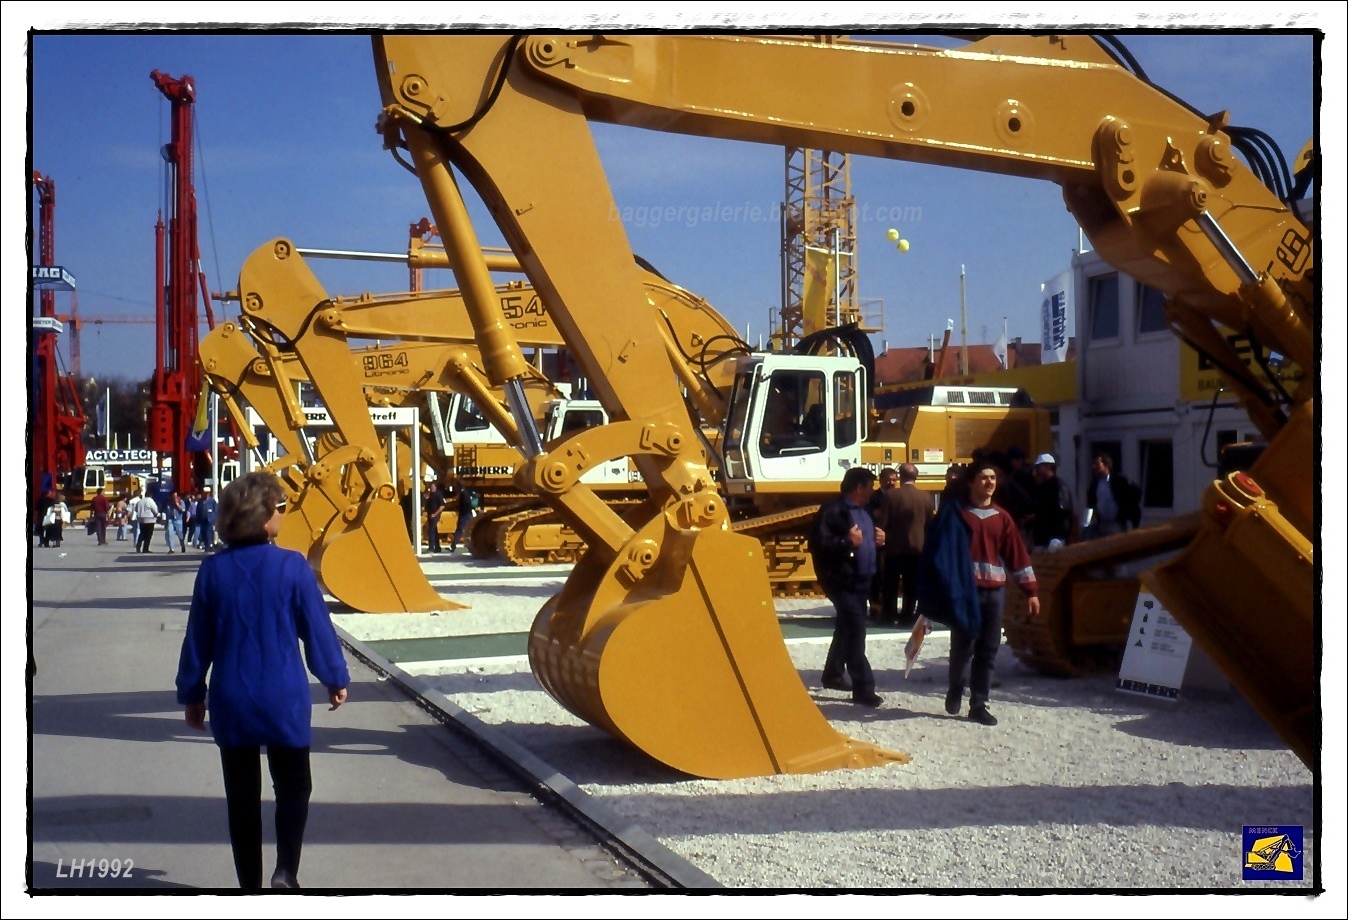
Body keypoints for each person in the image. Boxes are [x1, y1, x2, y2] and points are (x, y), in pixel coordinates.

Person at [175, 471, 350, 889]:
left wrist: (192, 693)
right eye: (282, 507)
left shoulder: (213, 572)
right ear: (264, 514)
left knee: (241, 796)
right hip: (283, 694)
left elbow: (198, 638)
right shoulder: (291, 565)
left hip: (232, 695)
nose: (284, 514)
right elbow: (316, 628)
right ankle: (286, 869)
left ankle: (248, 885)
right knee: (294, 784)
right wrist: (333, 676)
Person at [930, 461, 1040, 726]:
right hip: (964, 595)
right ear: (970, 482)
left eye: (993, 478)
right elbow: (938, 555)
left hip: (994, 594)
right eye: (983, 478)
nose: (990, 483)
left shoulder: (1002, 518)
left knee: (988, 649)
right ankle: (956, 686)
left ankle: (979, 703)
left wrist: (1031, 591)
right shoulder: (954, 516)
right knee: (962, 647)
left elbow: (1017, 556)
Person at [811, 467, 886, 707]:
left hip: (861, 579)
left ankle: (832, 673)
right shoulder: (833, 509)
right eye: (870, 485)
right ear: (859, 487)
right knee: (856, 630)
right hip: (841, 581)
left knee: (845, 627)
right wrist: (847, 542)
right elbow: (819, 543)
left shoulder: (863, 510)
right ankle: (864, 687)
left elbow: (864, 542)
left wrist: (879, 541)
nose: (873, 490)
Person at [875, 463, 935, 627]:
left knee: (890, 584)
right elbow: (930, 523)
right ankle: (907, 615)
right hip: (918, 548)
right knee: (911, 585)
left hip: (894, 547)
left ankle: (888, 615)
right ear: (916, 477)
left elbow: (883, 522)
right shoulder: (926, 497)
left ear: (900, 476)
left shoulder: (891, 496)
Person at [1084, 453, 1142, 538]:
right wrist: (1085, 524)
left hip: (1117, 524)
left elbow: (1135, 495)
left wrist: (1129, 514)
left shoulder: (1119, 481)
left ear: (1106, 465)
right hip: (1101, 525)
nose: (1094, 467)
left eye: (1097, 464)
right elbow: (1090, 505)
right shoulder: (1094, 485)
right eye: (1093, 464)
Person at [1027, 453, 1074, 551]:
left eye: (1038, 467)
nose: (1036, 471)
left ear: (1047, 467)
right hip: (1042, 539)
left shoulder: (1059, 486)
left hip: (1056, 538)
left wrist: (1039, 514)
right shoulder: (1041, 487)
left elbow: (1063, 510)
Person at [448, 484, 478, 553]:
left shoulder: (463, 494)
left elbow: (465, 505)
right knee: (468, 530)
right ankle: (469, 545)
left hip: (464, 515)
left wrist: (460, 511)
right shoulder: (466, 493)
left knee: (459, 530)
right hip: (467, 514)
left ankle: (453, 546)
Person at [424, 482, 446, 553]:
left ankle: (431, 547)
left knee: (431, 531)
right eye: (431, 487)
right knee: (434, 531)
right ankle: (437, 547)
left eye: (432, 487)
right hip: (430, 515)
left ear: (435, 487)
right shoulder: (430, 495)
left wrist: (435, 514)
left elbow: (442, 506)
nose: (431, 488)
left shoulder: (438, 495)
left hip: (435, 515)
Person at [197, 487, 219, 551]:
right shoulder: (201, 501)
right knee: (203, 533)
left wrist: (215, 519)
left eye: (207, 493)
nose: (206, 494)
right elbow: (198, 510)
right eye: (205, 493)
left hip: (209, 520)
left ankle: (208, 546)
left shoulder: (212, 501)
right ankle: (205, 544)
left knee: (208, 533)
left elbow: (216, 510)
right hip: (202, 519)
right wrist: (198, 519)